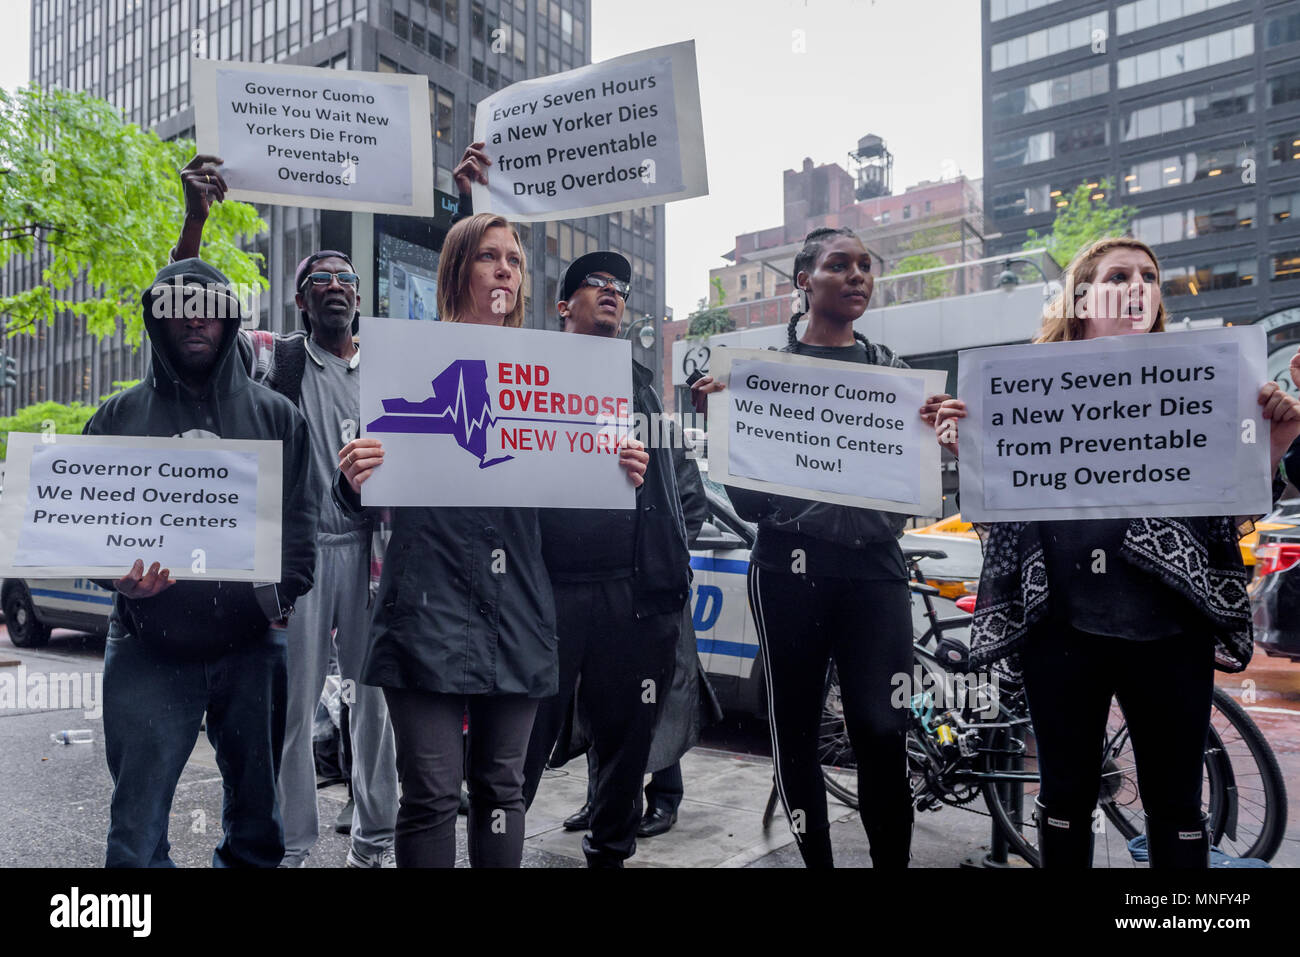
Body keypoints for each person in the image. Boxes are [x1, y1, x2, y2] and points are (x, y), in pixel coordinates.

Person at [933, 236, 1300, 868]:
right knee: (1066, 797)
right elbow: (1000, 516)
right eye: (1119, 274)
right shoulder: (1019, 387)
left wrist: (1274, 446)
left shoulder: (1204, 380)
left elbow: (1224, 512)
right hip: (1060, 627)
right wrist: (964, 451)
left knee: (1178, 804)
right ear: (1080, 297)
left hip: (1169, 624)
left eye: (1150, 277)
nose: (1139, 286)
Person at [335, 212, 649, 867]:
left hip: (518, 609)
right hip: (425, 605)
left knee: (503, 790)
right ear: (458, 270)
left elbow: (574, 497)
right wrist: (352, 477)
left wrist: (620, 470)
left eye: (513, 258)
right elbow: (367, 496)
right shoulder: (407, 362)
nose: (504, 267)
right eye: (487, 256)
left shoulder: (556, 374)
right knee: (428, 793)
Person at [690, 227, 950, 868]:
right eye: (840, 265)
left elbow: (915, 495)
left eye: (866, 265)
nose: (858, 275)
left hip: (874, 571)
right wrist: (721, 424)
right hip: (789, 571)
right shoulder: (760, 376)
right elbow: (750, 505)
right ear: (804, 281)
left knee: (882, 728)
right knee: (797, 732)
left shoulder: (896, 377)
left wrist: (939, 438)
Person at [171, 154, 400, 869]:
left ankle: (376, 839)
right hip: (301, 557)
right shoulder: (280, 359)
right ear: (301, 302)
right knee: (294, 709)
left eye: (345, 279)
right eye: (318, 281)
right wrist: (195, 223)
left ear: (359, 298)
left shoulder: (395, 364)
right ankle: (294, 846)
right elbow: (189, 315)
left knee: (379, 703)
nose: (333, 286)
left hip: (374, 551)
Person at [90, 258, 318, 867]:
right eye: (177, 307)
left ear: (229, 319)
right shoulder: (116, 419)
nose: (193, 317)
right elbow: (80, 527)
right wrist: (116, 578)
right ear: (156, 322)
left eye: (209, 307)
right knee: (135, 835)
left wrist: (276, 600)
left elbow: (302, 530)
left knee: (256, 830)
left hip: (251, 647)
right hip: (146, 644)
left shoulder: (277, 418)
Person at [513, 250, 701, 866]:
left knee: (626, 746)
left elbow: (684, 489)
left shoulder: (643, 387)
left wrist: (664, 550)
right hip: (546, 593)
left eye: (620, 286)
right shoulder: (527, 373)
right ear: (562, 306)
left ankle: (610, 853)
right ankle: (499, 851)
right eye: (595, 284)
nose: (612, 291)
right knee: (522, 742)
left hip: (632, 596)